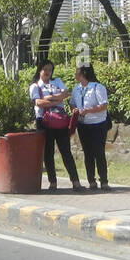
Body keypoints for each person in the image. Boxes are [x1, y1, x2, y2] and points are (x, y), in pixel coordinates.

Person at [29, 61, 82, 192]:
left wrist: (49, 97)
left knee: (66, 151)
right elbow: (38, 103)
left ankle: (75, 181)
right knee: (48, 152)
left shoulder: (57, 81)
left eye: (50, 70)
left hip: (60, 120)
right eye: (45, 69)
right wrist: (56, 100)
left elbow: (65, 94)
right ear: (39, 70)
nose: (47, 72)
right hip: (44, 121)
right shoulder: (35, 86)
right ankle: (53, 182)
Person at [71, 64, 111, 191]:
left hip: (98, 124)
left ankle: (104, 181)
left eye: (77, 72)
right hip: (83, 125)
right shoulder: (76, 89)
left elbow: (103, 105)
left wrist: (89, 110)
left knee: (99, 152)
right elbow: (72, 103)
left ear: (83, 74)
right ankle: (91, 181)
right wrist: (75, 110)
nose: (75, 75)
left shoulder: (97, 87)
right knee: (87, 153)